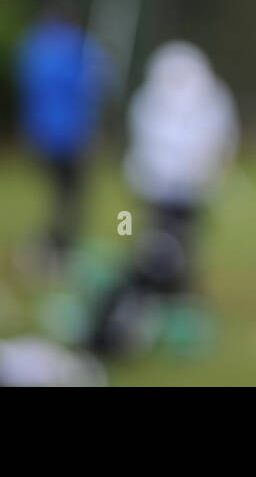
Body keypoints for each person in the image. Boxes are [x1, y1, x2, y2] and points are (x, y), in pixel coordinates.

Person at [89, 41, 238, 355]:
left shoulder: (209, 100)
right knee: (157, 245)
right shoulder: (150, 100)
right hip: (156, 189)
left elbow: (217, 138)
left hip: (189, 192)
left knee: (183, 245)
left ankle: (177, 301)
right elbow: (151, 144)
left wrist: (205, 168)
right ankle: (155, 300)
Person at [15, 7, 111, 265]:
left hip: (41, 134)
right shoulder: (80, 47)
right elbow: (97, 84)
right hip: (72, 135)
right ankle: (57, 247)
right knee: (71, 195)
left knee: (59, 192)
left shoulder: (34, 46)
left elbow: (25, 84)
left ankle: (54, 245)